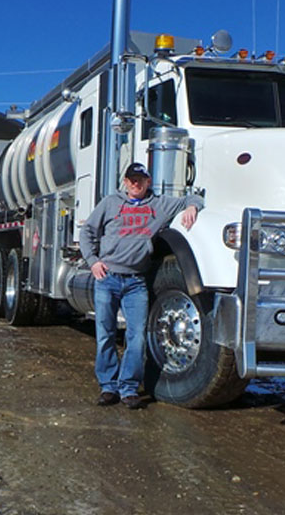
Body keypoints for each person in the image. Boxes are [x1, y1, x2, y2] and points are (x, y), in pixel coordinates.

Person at [79, 163, 204, 409]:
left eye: (141, 180)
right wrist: (93, 262)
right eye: (131, 180)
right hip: (107, 278)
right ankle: (108, 387)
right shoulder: (110, 203)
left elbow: (194, 196)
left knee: (136, 338)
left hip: (136, 282)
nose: (136, 184)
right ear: (125, 182)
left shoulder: (159, 205)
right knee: (105, 334)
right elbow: (87, 233)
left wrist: (192, 206)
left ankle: (128, 389)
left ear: (148, 182)